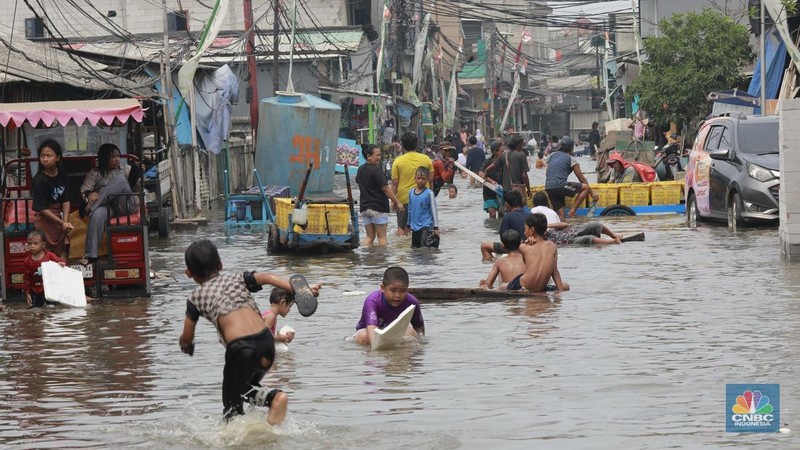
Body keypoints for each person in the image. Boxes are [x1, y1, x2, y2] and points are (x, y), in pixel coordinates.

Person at [178, 239, 320, 425]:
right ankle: (270, 413)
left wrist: (186, 345)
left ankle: (273, 400)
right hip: (266, 343)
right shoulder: (238, 278)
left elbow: (187, 336)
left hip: (241, 348)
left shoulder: (195, 297)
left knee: (231, 404)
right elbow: (268, 277)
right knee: (245, 388)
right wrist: (301, 290)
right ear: (220, 265)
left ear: (189, 272)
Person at [79, 143, 140, 264]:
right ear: (104, 158)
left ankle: (92, 207)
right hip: (107, 208)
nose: (117, 159)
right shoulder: (94, 173)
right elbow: (84, 190)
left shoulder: (125, 169)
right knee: (97, 214)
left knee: (121, 180)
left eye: (118, 156)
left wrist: (136, 176)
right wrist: (89, 194)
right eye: (113, 157)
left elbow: (137, 188)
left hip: (126, 206)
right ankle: (91, 254)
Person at [353, 267, 425, 346]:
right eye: (393, 291)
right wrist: (375, 352)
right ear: (383, 288)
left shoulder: (412, 302)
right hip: (370, 333)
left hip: (394, 333)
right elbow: (372, 328)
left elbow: (419, 329)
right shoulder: (372, 301)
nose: (397, 295)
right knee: (363, 336)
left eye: (402, 291)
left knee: (410, 333)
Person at [31, 139, 73, 261]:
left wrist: (65, 221)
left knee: (64, 249)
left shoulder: (63, 175)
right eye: (42, 156)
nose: (45, 159)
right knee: (50, 254)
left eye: (49, 156)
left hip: (59, 215)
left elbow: (66, 200)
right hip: (46, 217)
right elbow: (42, 209)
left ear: (58, 158)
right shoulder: (39, 180)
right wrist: (61, 223)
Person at [356, 144, 404, 246]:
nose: (379, 158)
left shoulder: (360, 169)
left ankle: (366, 258)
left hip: (365, 208)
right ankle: (382, 260)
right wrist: (397, 202)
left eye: (380, 155)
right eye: (377, 155)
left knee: (369, 237)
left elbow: (359, 182)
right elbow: (386, 188)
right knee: (381, 237)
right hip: (378, 208)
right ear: (369, 156)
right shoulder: (376, 170)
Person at [509, 213, 569, 292]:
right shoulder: (552, 247)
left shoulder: (524, 247)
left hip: (521, 286)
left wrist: (525, 242)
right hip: (541, 288)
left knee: (504, 286)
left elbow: (521, 259)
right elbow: (555, 272)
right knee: (565, 285)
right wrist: (560, 292)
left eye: (525, 229)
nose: (524, 232)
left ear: (532, 230)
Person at [544, 136, 598, 219]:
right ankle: (571, 212)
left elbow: (547, 173)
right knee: (585, 188)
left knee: (561, 217)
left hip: (548, 187)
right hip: (560, 185)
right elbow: (582, 179)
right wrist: (592, 193)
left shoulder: (552, 155)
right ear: (571, 148)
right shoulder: (571, 159)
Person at [391, 132, 433, 236]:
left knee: (402, 227)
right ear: (416, 143)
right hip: (423, 198)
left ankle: (403, 248)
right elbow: (431, 180)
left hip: (403, 199)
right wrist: (431, 197)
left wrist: (393, 200)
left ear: (403, 145)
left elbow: (395, 184)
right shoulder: (426, 159)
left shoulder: (397, 161)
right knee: (423, 225)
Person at [480, 190, 530, 260]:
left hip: (514, 248)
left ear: (507, 205)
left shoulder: (507, 217)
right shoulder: (530, 215)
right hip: (529, 245)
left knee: (484, 246)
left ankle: (490, 264)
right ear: (521, 202)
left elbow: (503, 238)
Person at [484, 134, 531, 205]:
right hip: (517, 191)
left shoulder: (504, 155)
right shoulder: (521, 156)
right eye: (522, 144)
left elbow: (488, 169)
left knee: (508, 210)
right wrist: (528, 189)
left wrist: (486, 177)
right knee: (518, 210)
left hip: (506, 190)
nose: (522, 146)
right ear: (519, 144)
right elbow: (524, 175)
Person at [23, 230, 65, 308]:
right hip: (36, 290)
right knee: (36, 309)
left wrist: (61, 263)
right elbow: (27, 279)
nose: (32, 246)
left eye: (35, 243)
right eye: (29, 244)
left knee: (52, 308)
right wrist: (27, 292)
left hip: (50, 289)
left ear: (43, 244)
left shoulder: (50, 256)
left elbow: (59, 261)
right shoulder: (27, 261)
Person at [406, 167, 439, 248]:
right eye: (418, 178)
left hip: (426, 224)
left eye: (423, 178)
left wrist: (436, 227)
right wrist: (408, 224)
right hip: (414, 226)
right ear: (415, 178)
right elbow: (410, 209)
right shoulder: (411, 193)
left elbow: (434, 210)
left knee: (424, 246)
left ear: (427, 179)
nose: (421, 180)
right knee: (415, 248)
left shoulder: (429, 193)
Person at [479, 140, 504, 219]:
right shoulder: (487, 162)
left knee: (502, 215)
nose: (503, 153)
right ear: (495, 152)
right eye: (501, 151)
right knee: (492, 214)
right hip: (489, 193)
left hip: (501, 192)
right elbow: (480, 173)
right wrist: (491, 181)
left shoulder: (505, 162)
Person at [546, 221, 624, 246]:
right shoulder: (537, 238)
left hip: (572, 231)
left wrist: (547, 225)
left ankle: (614, 236)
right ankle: (613, 242)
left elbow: (565, 224)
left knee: (595, 225)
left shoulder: (548, 229)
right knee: (589, 238)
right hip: (568, 241)